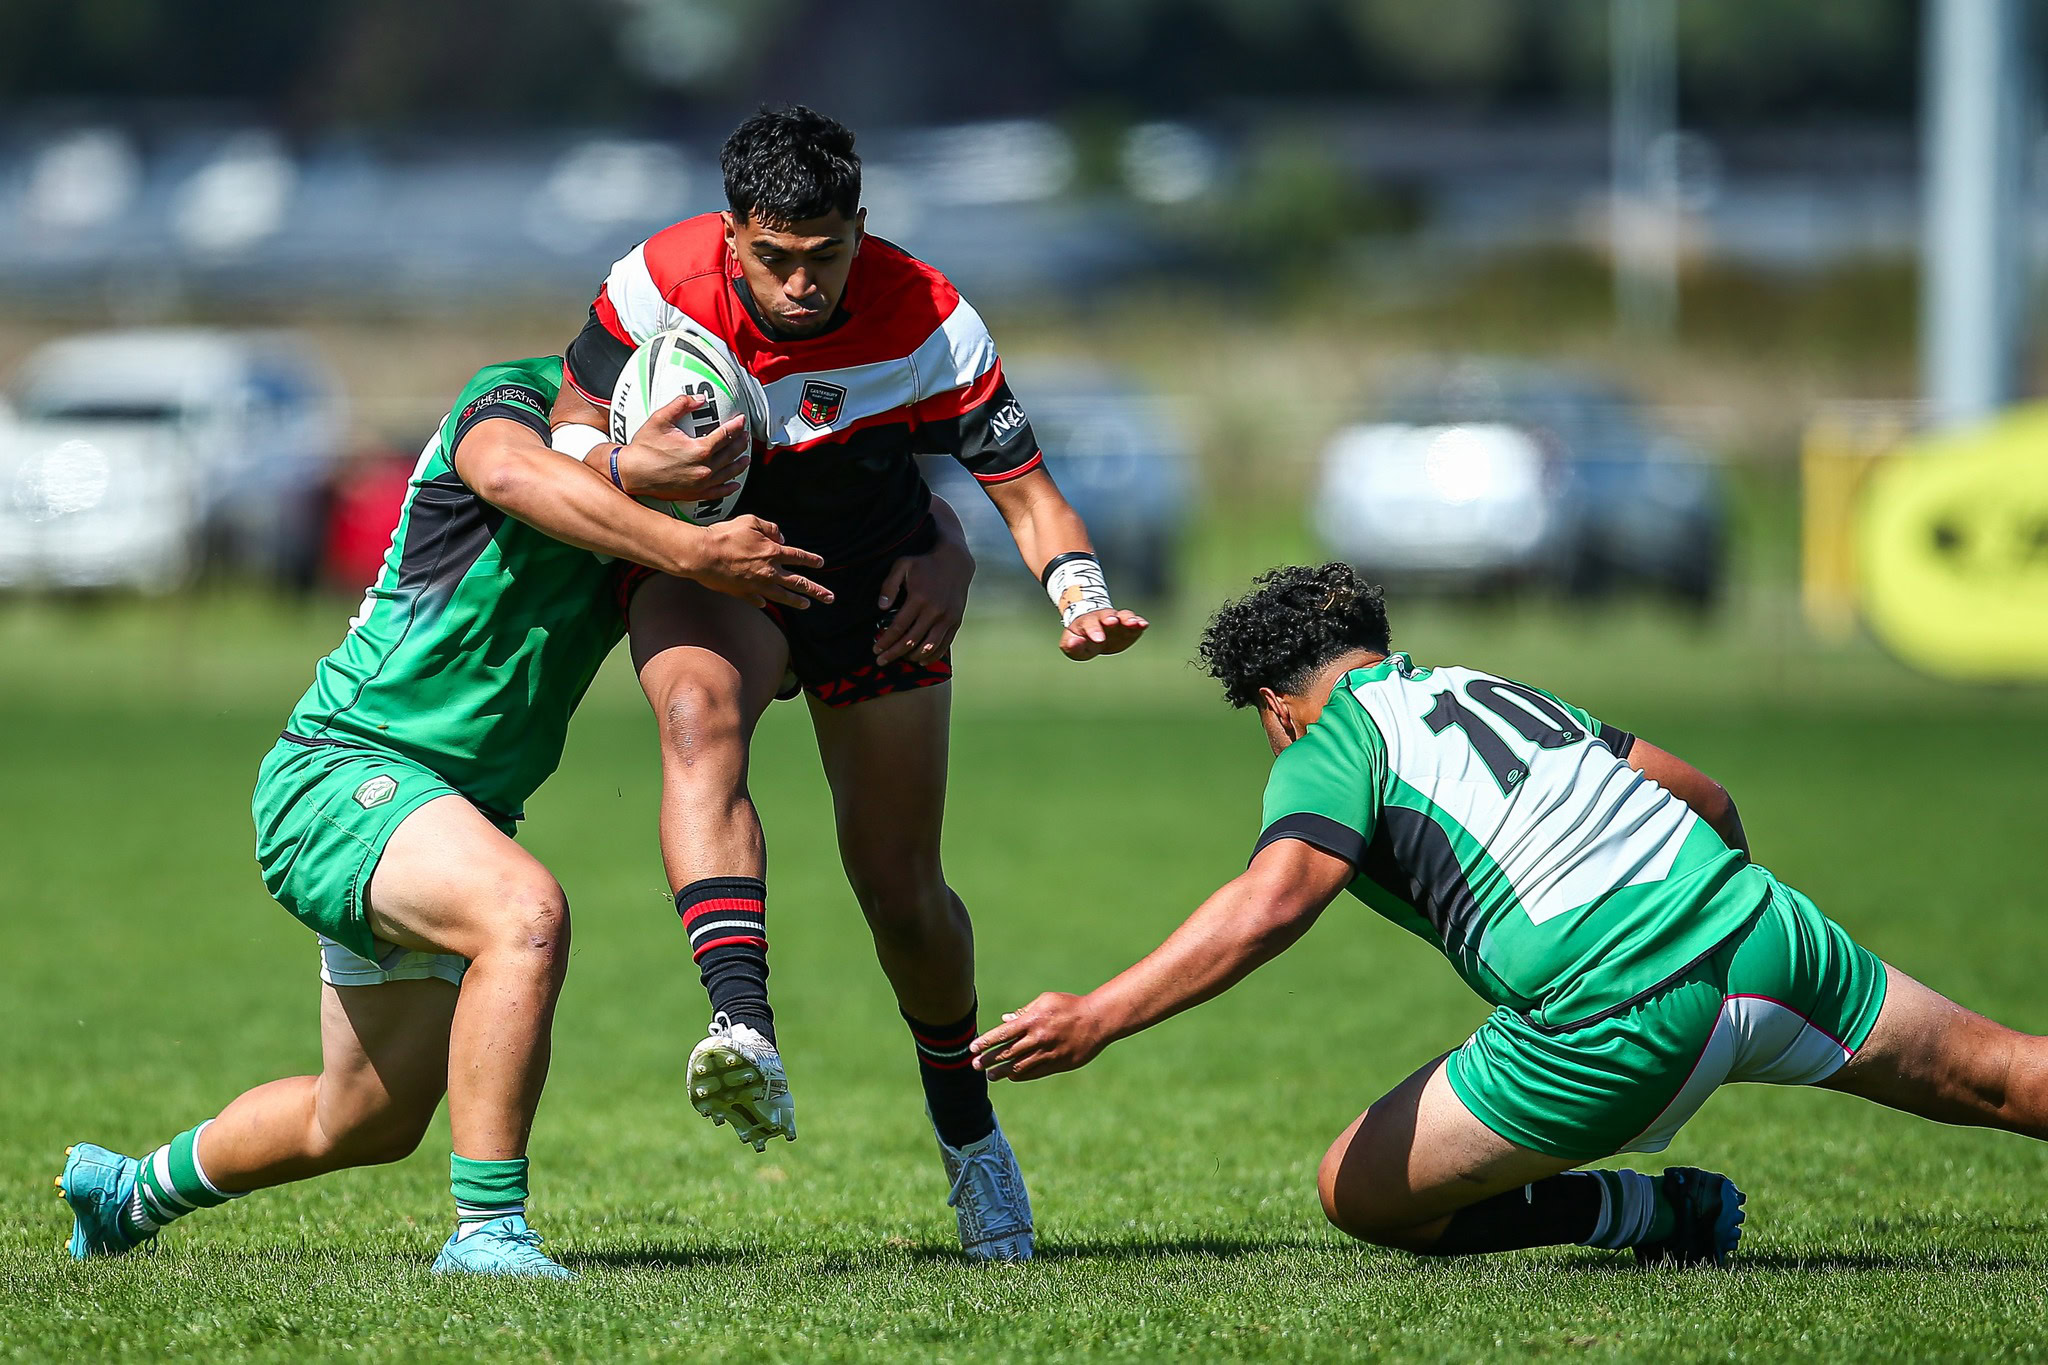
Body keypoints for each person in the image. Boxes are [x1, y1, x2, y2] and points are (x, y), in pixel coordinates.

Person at [972, 562, 2048, 1266]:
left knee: (1354, 1192)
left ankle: (1638, 1213)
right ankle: (1664, 1175)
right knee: (2005, 1073)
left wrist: (1095, 1017)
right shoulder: (1493, 689)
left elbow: (1270, 904)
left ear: (1272, 708)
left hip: (1609, 1018)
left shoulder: (1334, 739)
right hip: (1762, 930)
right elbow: (1705, 796)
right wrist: (1711, 924)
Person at [56, 356, 832, 1277]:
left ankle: (125, 1194)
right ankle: (488, 1234)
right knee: (524, 914)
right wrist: (642, 488)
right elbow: (511, 476)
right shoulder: (519, 397)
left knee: (361, 1119)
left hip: (455, 814)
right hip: (345, 767)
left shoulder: (685, 504)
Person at [541, 105, 1150, 1262]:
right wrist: (635, 475)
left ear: (859, 229)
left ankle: (970, 1140)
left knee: (901, 892)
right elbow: (565, 434)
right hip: (715, 565)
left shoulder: (929, 315)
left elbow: (1026, 489)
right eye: (774, 258)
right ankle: (743, 1025)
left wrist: (1076, 592)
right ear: (731, 235)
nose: (802, 283)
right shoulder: (657, 281)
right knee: (694, 715)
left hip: (878, 587)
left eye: (827, 255)